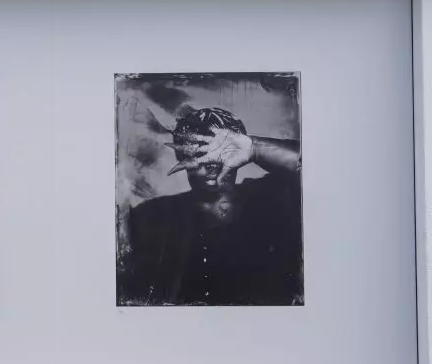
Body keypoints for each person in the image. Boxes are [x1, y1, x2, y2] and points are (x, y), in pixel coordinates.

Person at [117, 106, 303, 307]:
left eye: (223, 148)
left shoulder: (272, 197)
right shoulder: (150, 217)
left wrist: (254, 148)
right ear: (181, 156)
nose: (212, 159)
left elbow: (318, 169)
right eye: (200, 148)